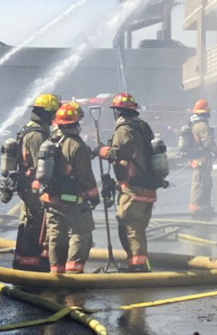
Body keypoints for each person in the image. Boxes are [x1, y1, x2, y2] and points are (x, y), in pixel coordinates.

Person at [97, 92, 162, 272]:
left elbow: (119, 153)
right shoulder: (143, 126)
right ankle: (139, 264)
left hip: (133, 188)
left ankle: (138, 266)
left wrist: (101, 150)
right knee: (138, 228)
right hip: (147, 186)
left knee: (130, 227)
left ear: (117, 112)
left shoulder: (125, 129)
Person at [39, 101, 100, 275]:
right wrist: (94, 197)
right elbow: (86, 176)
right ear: (76, 123)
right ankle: (73, 274)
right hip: (73, 200)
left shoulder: (50, 142)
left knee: (56, 236)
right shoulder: (76, 145)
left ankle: (56, 274)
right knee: (80, 234)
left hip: (51, 200)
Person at [13, 93, 60, 271]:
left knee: (28, 222)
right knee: (35, 224)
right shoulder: (37, 135)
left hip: (26, 184)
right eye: (53, 114)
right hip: (33, 186)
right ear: (47, 113)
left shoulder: (29, 128)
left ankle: (21, 261)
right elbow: (37, 164)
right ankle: (29, 265)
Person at [181, 98, 217, 217]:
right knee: (201, 183)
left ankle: (203, 206)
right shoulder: (202, 125)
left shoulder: (194, 124)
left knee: (203, 182)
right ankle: (196, 207)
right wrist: (215, 152)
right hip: (202, 159)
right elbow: (208, 142)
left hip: (197, 159)